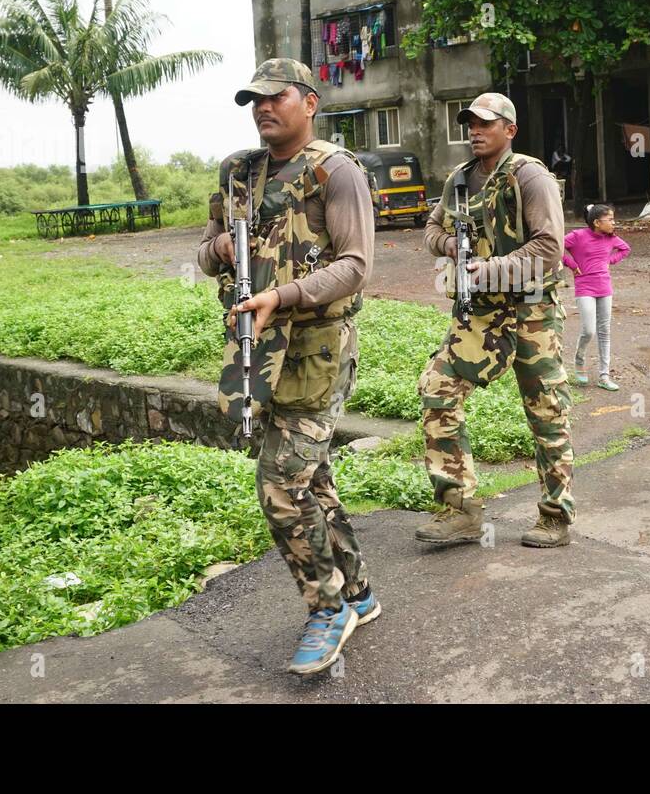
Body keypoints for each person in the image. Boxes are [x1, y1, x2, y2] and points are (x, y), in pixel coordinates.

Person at [196, 58, 378, 675]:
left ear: (310, 102)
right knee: (312, 477)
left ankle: (327, 609)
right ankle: (357, 592)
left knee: (280, 483)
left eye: (277, 98)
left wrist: (285, 295)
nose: (264, 108)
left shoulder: (337, 170)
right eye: (255, 100)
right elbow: (203, 250)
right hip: (254, 346)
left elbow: (354, 265)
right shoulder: (236, 172)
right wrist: (221, 248)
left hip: (316, 347)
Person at [416, 92, 575, 548]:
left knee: (546, 410)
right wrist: (453, 247)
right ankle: (460, 509)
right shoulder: (460, 180)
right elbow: (432, 228)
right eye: (470, 124)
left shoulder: (530, 176)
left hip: (531, 310)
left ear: (510, 129)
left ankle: (555, 516)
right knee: (437, 386)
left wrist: (488, 269)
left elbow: (548, 248)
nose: (475, 131)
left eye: (486, 124)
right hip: (480, 312)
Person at [563, 203, 630, 390]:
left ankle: (604, 375)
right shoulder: (577, 236)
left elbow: (626, 249)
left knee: (604, 332)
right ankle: (579, 360)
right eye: (610, 220)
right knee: (588, 330)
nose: (614, 223)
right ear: (597, 222)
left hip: (604, 288)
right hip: (584, 287)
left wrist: (610, 261)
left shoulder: (611, 239)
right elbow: (556, 246)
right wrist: (571, 263)